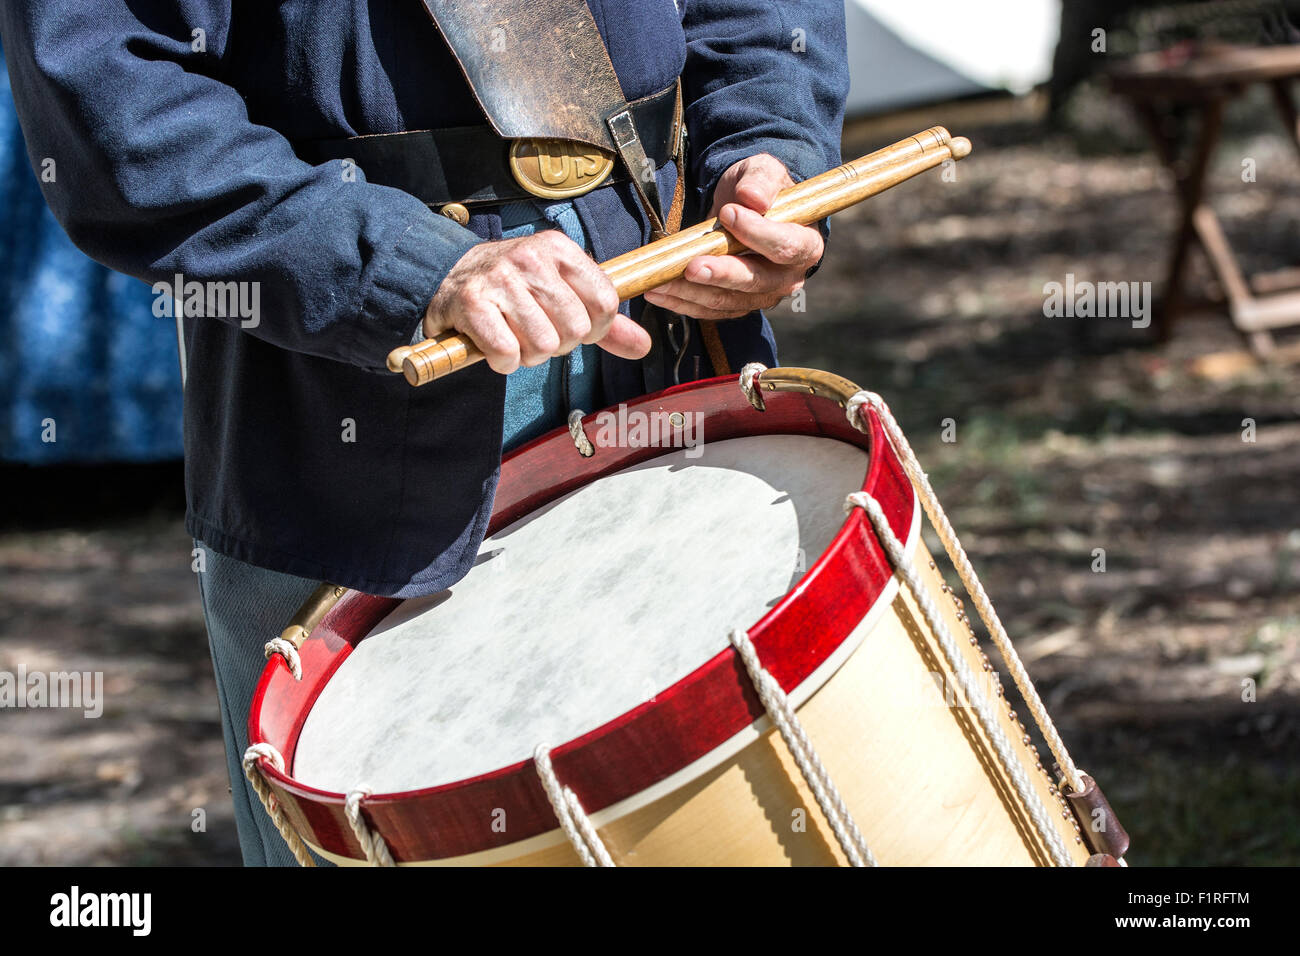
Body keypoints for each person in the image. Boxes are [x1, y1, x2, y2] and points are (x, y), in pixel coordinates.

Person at [0, 0, 848, 864]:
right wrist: (403, 267)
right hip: (354, 395)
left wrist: (767, 143)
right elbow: (114, 90)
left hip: (672, 332)